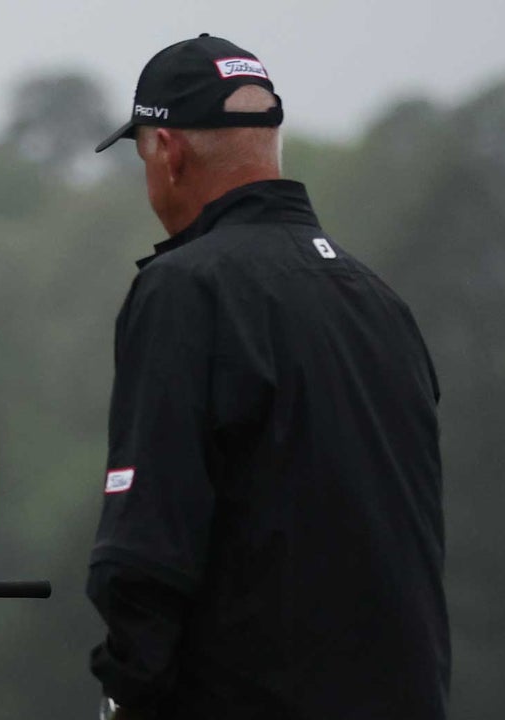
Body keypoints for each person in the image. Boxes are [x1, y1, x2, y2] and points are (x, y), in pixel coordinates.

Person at [87, 35, 449, 719]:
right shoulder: (377, 298)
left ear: (167, 150)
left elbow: (143, 558)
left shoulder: (184, 290)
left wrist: (123, 693)